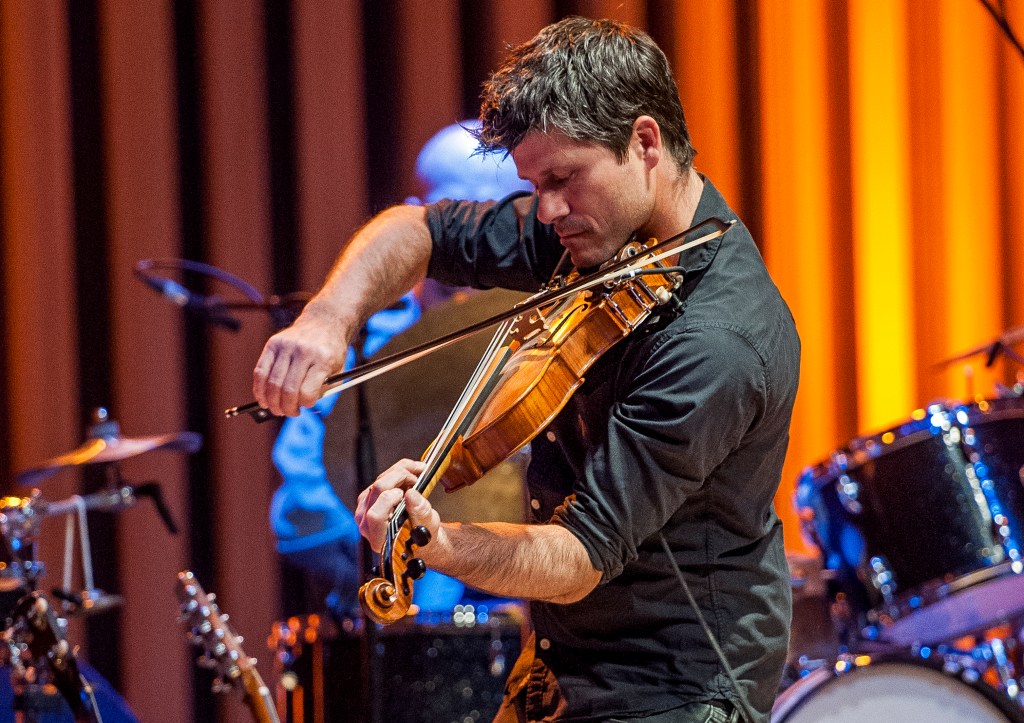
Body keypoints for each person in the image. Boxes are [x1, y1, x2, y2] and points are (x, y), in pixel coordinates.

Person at [254, 16, 799, 723]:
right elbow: (418, 230)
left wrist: (439, 540)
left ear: (644, 142)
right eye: (533, 183)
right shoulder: (596, 235)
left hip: (675, 685)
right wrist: (329, 319)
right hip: (564, 658)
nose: (547, 210)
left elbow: (579, 554)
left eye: (563, 179)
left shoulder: (715, 339)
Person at [268, 120, 530, 616]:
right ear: (420, 219)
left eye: (493, 227)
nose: (474, 251)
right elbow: (300, 512)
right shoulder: (360, 354)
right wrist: (428, 577)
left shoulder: (549, 346)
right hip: (400, 622)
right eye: (458, 220)